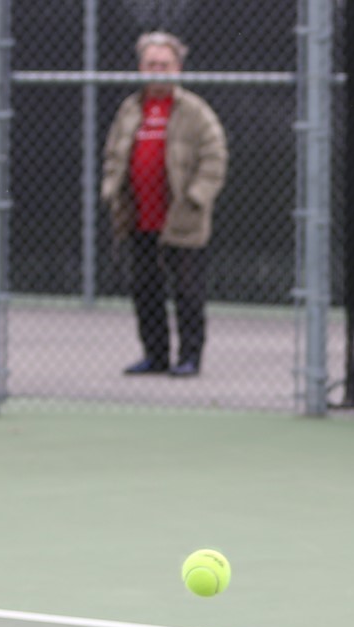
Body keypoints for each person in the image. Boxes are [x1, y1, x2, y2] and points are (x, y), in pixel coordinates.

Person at [100, 31, 228, 377]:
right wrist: (112, 188)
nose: (157, 70)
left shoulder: (195, 111)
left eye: (164, 64)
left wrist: (196, 198)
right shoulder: (130, 109)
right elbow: (114, 153)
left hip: (182, 221)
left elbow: (214, 158)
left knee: (187, 293)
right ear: (141, 68)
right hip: (138, 218)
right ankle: (155, 356)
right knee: (145, 290)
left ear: (178, 68)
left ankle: (189, 358)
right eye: (151, 63)